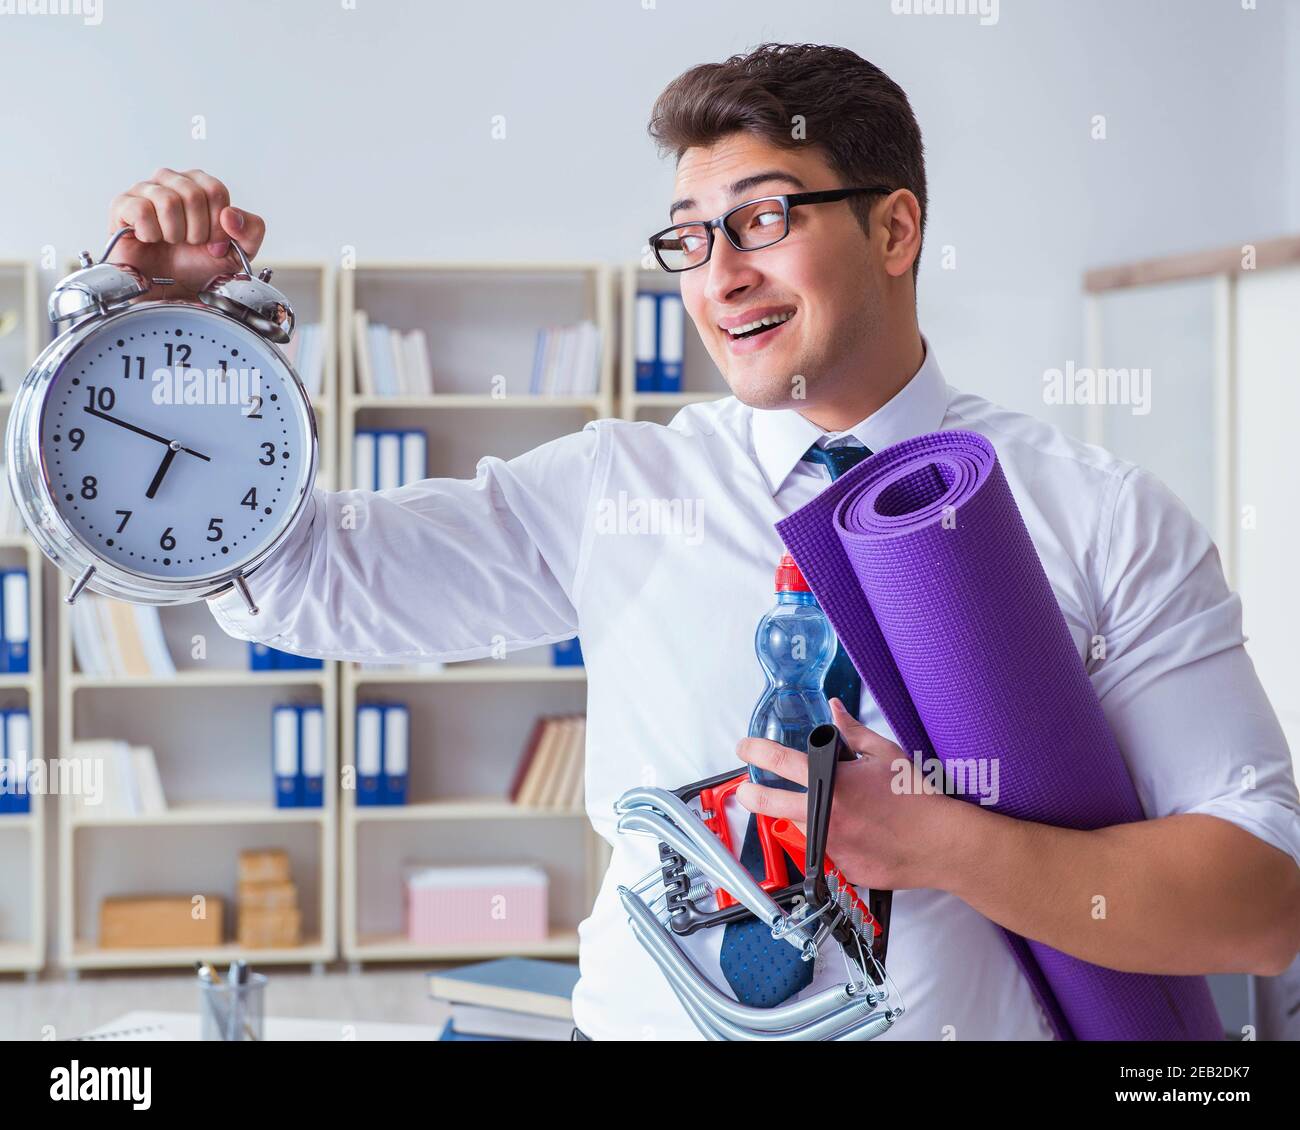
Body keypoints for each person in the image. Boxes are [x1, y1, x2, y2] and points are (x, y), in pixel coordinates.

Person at [104, 42, 1299, 1041]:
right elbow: (310, 577)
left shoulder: (1102, 518)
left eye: (764, 220)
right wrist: (186, 354)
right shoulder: (615, 487)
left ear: (894, 228)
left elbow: (1259, 897)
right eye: (689, 237)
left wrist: (945, 841)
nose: (721, 277)